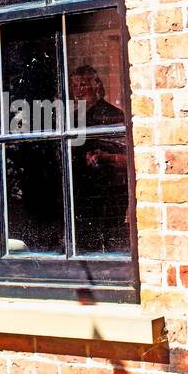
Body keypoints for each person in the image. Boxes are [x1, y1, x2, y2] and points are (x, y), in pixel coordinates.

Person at [69, 64, 129, 253]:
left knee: (109, 244)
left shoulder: (112, 115)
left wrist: (105, 158)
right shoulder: (72, 118)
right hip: (79, 191)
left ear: (95, 86)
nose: (78, 90)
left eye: (83, 85)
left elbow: (127, 156)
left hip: (108, 191)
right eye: (75, 86)